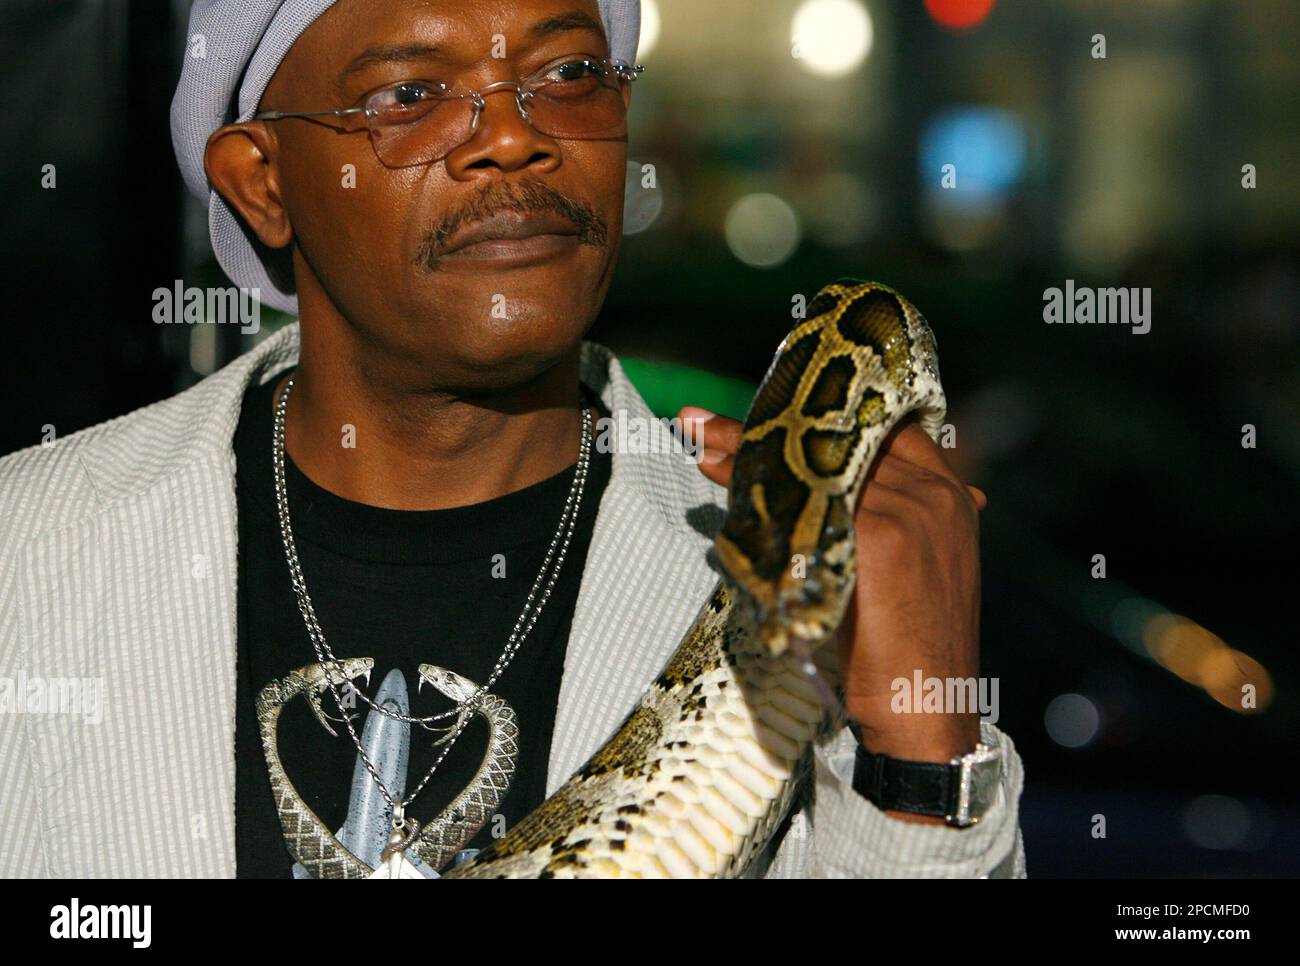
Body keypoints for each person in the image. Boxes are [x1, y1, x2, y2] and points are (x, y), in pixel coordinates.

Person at [0, 0, 1025, 878]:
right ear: (262, 181)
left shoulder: (791, 562)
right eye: (409, 94)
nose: (512, 137)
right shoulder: (31, 554)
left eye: (570, 72)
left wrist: (920, 756)